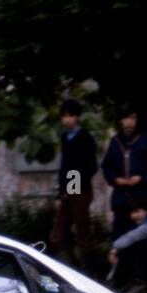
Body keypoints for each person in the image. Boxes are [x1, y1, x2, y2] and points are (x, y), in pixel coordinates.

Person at [49, 98, 98, 265]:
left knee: (82, 231)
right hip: (68, 190)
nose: (67, 119)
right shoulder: (65, 138)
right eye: (64, 116)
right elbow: (65, 167)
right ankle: (69, 267)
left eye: (71, 116)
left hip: (80, 189)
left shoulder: (85, 138)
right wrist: (61, 193)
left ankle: (89, 272)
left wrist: (73, 187)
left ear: (77, 117)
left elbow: (90, 167)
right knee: (58, 233)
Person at [101, 103, 147, 239]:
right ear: (120, 120)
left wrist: (141, 178)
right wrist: (116, 179)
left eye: (132, 118)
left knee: (141, 241)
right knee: (120, 239)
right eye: (126, 118)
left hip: (141, 201)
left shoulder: (145, 141)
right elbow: (106, 167)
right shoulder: (115, 142)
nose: (129, 123)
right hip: (120, 201)